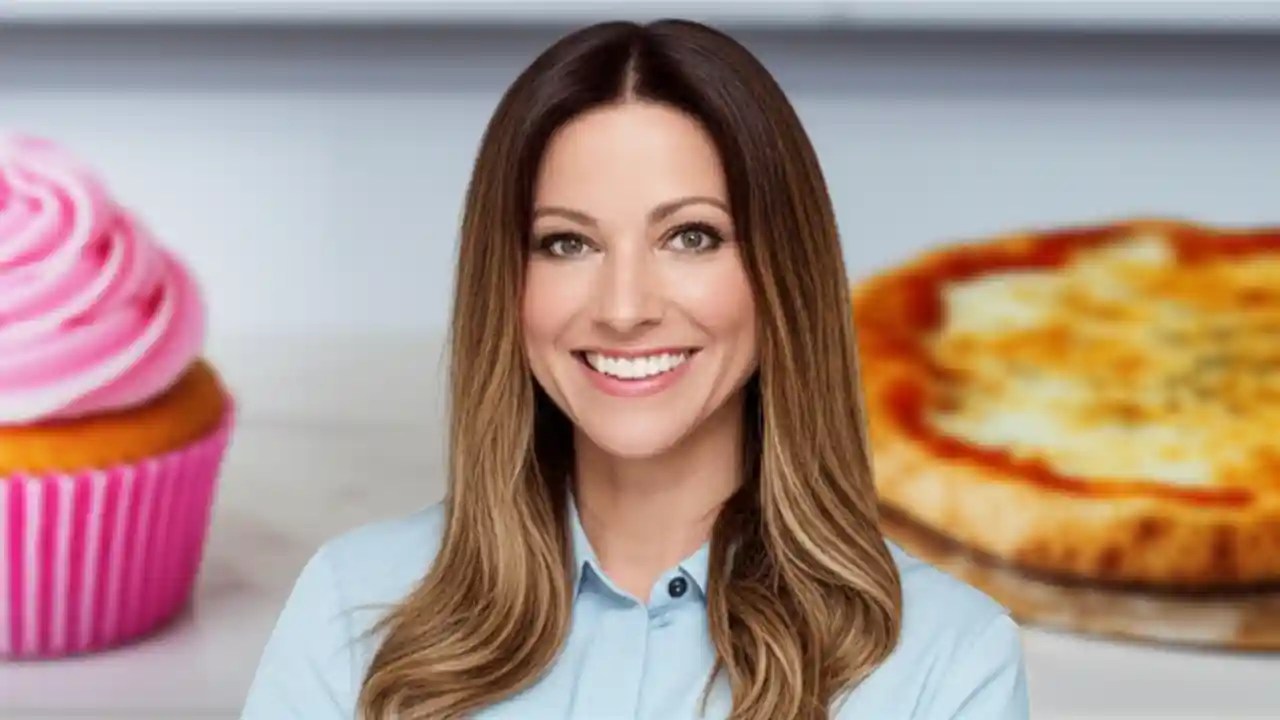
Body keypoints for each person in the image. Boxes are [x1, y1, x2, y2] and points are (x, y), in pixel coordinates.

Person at [240, 18, 1029, 720]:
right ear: (506, 285)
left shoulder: (945, 660)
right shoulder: (355, 605)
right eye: (567, 243)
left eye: (690, 236)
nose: (624, 307)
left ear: (783, 274)